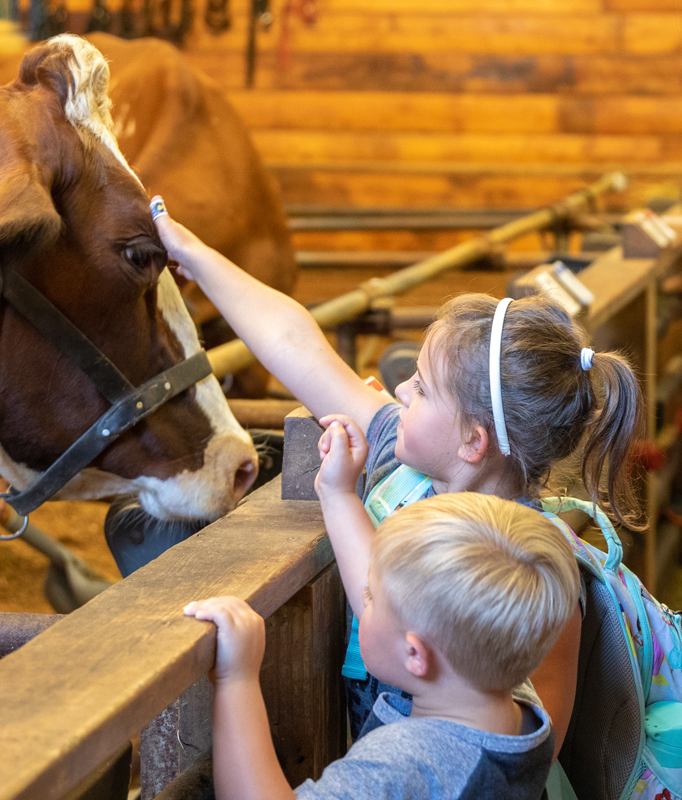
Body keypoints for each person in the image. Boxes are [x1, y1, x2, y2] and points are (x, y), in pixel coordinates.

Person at [152, 195, 644, 754]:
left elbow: (532, 759)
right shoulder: (403, 463)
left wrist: (339, 496)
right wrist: (192, 253)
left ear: (472, 440)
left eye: (422, 386)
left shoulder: (530, 572)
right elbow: (295, 343)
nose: (398, 390)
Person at [185, 490, 580, 800]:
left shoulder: (404, 764)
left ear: (415, 654)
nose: (362, 600)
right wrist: (338, 495)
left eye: (370, 598)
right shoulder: (523, 718)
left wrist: (237, 679)